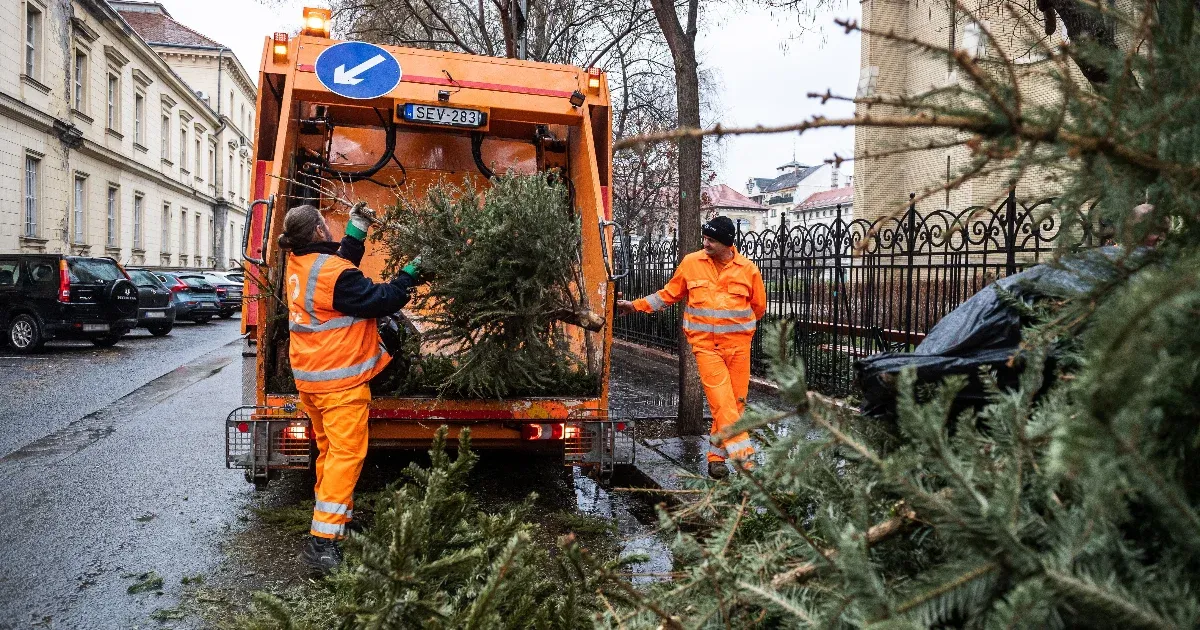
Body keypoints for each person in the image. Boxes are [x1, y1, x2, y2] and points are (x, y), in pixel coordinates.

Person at [277, 203, 421, 572]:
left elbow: (338, 270)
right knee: (345, 458)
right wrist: (409, 275)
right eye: (326, 223)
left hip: (312, 379)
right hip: (340, 385)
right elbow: (381, 299)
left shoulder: (300, 262)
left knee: (329, 454)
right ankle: (321, 545)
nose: (330, 226)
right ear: (317, 231)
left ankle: (335, 523)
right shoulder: (332, 275)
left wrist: (357, 229)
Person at [616, 216, 766, 479]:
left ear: (727, 243)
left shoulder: (748, 270)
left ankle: (716, 458)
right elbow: (668, 294)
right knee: (723, 404)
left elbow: (758, 307)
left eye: (711, 240)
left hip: (739, 348)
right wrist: (635, 306)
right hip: (706, 347)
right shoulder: (691, 263)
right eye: (704, 238)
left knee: (735, 404)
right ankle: (747, 466)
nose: (705, 244)